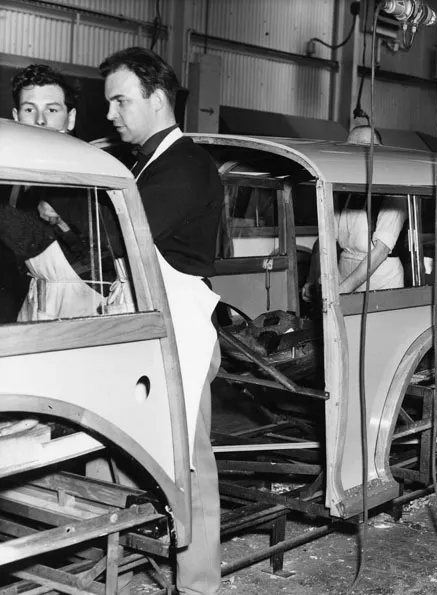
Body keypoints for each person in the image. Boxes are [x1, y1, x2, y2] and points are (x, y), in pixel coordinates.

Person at [100, 47, 223, 595]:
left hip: (180, 335)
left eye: (121, 100)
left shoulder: (186, 165)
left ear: (157, 98)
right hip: (147, 327)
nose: (112, 113)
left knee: (189, 467)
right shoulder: (143, 162)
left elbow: (118, 232)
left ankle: (198, 585)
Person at [1, 64, 128, 322]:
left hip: (87, 301)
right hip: (37, 296)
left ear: (69, 118)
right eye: (29, 109)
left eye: (52, 109)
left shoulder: (89, 176)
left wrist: (63, 224)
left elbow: (115, 251)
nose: (39, 120)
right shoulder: (11, 176)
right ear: (16, 117)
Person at [301, 124, 407, 300]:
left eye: (365, 146)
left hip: (381, 281)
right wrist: (313, 277)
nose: (357, 152)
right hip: (345, 275)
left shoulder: (393, 190)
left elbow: (380, 252)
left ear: (380, 152)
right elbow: (325, 240)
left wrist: (342, 291)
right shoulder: (343, 189)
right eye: (352, 147)